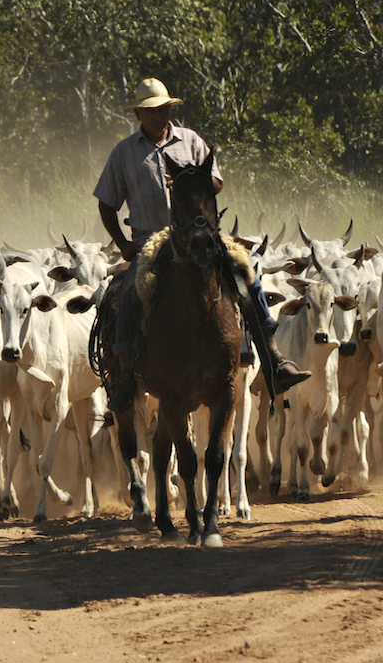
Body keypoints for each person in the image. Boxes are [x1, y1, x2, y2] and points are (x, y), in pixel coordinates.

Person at [94, 77, 310, 413]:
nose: (159, 115)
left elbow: (217, 183)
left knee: (245, 276)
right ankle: (123, 378)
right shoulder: (124, 153)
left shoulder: (192, 141)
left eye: (164, 108)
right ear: (138, 115)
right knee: (125, 293)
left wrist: (190, 179)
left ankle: (274, 359)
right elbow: (106, 203)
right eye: (151, 110)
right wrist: (123, 244)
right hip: (151, 242)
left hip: (200, 236)